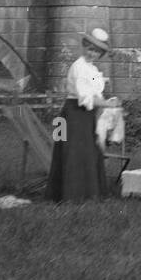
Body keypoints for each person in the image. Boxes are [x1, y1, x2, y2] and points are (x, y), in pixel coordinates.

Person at [47, 28, 120, 202]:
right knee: (75, 152)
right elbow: (84, 98)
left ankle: (89, 193)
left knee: (89, 152)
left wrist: (105, 103)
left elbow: (97, 92)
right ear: (84, 46)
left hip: (87, 116)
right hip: (74, 113)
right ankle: (72, 194)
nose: (92, 53)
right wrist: (107, 104)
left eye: (97, 51)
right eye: (90, 49)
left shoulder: (92, 69)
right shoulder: (78, 67)